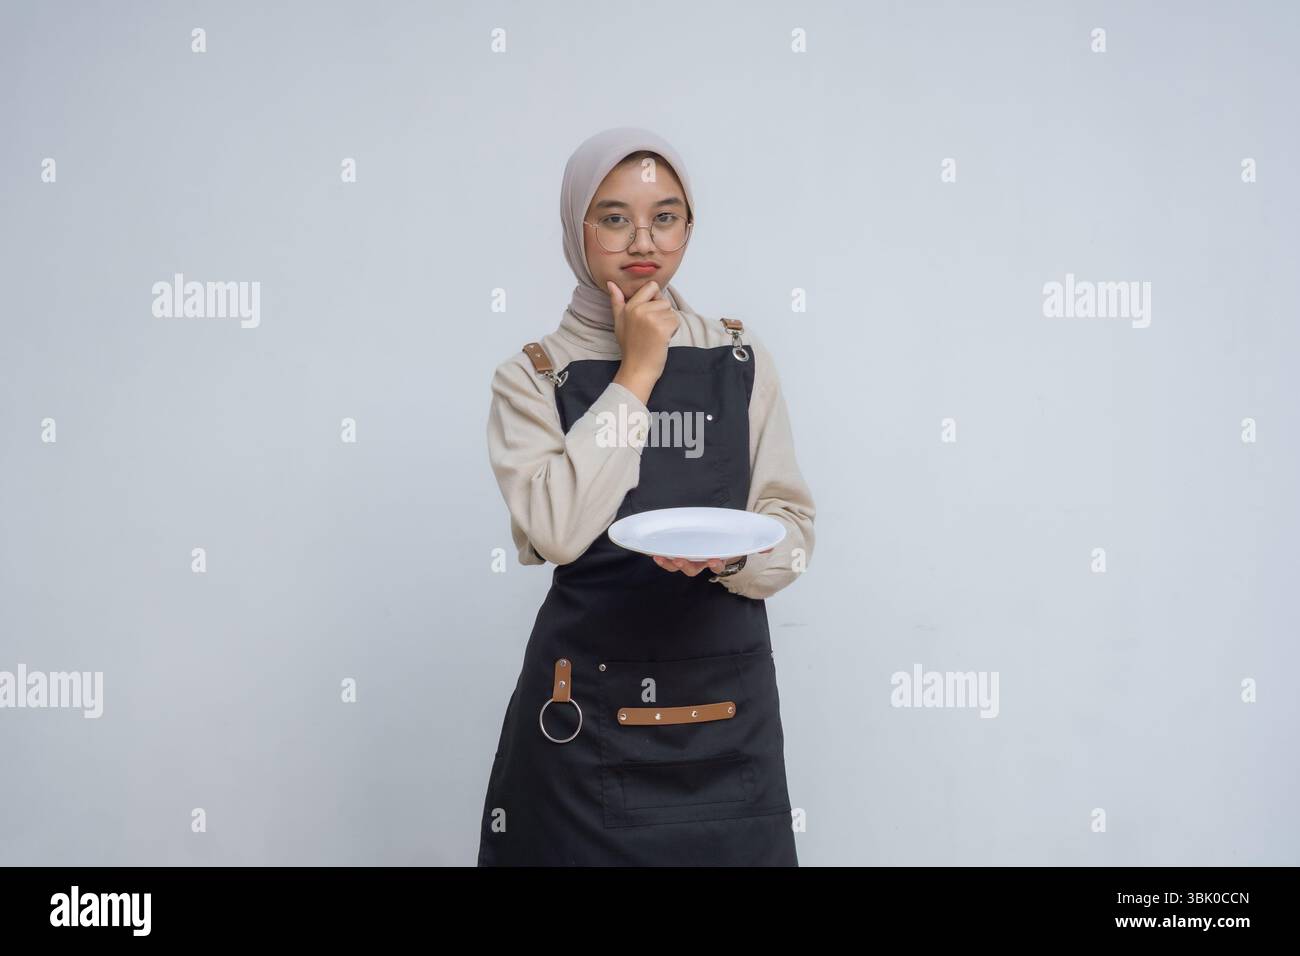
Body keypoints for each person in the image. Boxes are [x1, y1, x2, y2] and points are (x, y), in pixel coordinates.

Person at [477, 127, 815, 865]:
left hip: (727, 718)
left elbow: (791, 533)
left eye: (666, 216)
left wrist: (731, 562)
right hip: (583, 719)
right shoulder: (532, 375)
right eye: (614, 216)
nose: (644, 240)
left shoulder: (738, 356)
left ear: (689, 227)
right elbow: (557, 530)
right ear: (577, 227)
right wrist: (637, 371)